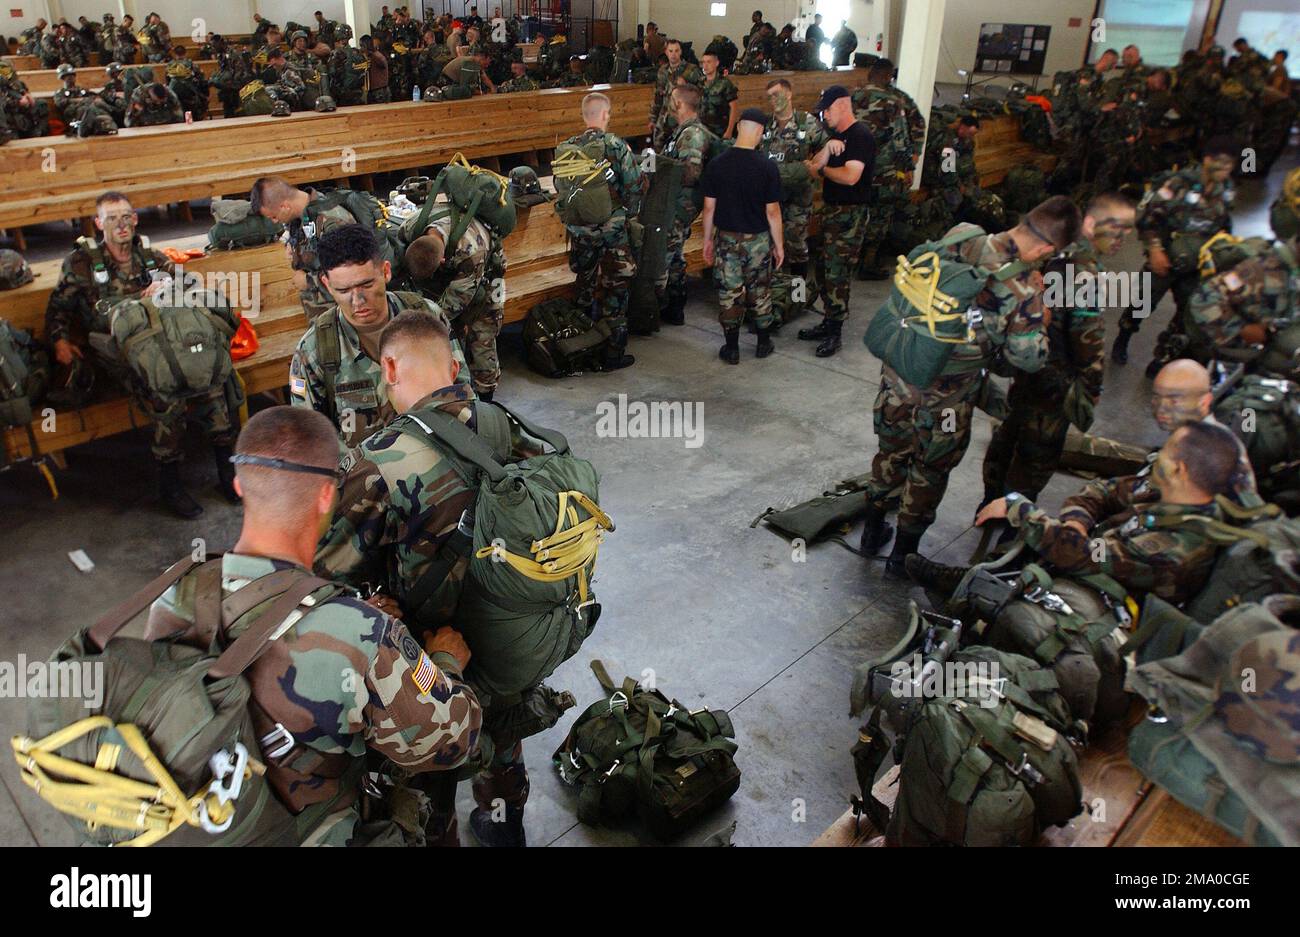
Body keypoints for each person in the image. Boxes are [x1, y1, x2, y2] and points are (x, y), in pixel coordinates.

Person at [146, 404, 483, 846]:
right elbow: (451, 741)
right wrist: (444, 660)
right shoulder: (364, 635)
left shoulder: (180, 587)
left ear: (238, 485)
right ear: (327, 496)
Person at [316, 310, 546, 846]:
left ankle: (443, 829)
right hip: (514, 632)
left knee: (431, 777)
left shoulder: (376, 462)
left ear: (389, 366)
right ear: (452, 362)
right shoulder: (504, 425)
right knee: (505, 732)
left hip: (434, 660)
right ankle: (506, 820)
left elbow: (326, 583)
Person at [860, 196, 1081, 574]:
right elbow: (1027, 359)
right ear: (1046, 248)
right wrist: (1039, 318)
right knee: (929, 469)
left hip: (899, 375)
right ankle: (902, 557)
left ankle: (871, 533)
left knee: (891, 453)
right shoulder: (1025, 289)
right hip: (948, 402)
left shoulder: (962, 236)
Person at [44, 191, 238, 518]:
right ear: (98, 223)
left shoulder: (149, 256)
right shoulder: (81, 264)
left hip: (158, 344)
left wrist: (167, 286)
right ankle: (170, 484)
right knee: (166, 391)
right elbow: (57, 309)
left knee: (210, 380)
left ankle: (227, 471)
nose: (121, 225)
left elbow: (190, 283)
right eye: (112, 218)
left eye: (126, 217)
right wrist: (60, 342)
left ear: (135, 219)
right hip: (112, 349)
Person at [910, 421, 1245, 607]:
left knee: (1033, 583)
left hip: (1106, 599)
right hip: (1095, 556)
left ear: (1179, 470)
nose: (1156, 457)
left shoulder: (1174, 552)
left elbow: (1081, 557)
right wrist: (1077, 522)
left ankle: (972, 602)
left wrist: (1017, 508)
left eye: (1166, 453)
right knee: (1040, 541)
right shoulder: (1175, 490)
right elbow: (1102, 490)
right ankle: (971, 581)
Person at [981, 193, 1136, 505]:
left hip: (1025, 359)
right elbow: (1087, 340)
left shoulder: (1054, 246)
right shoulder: (1085, 272)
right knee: (1037, 452)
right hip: (1056, 378)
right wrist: (1092, 386)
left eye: (1129, 230)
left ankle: (989, 502)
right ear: (1091, 223)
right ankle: (1013, 524)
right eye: (1118, 229)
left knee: (1009, 432)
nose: (1124, 238)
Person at [289, 223, 469, 449]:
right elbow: (311, 435)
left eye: (366, 284)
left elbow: (463, 391)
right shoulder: (314, 350)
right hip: (364, 478)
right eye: (343, 291)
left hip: (437, 461)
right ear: (327, 284)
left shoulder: (426, 317)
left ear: (385, 271)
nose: (357, 301)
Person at [1110, 136, 1237, 374]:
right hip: (1165, 258)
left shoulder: (1226, 190)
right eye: (1220, 164)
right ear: (1207, 160)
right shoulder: (1177, 183)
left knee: (1186, 316)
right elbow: (1148, 218)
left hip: (1196, 264)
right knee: (1142, 303)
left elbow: (1224, 227)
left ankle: (1163, 356)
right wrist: (1155, 250)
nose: (1224, 171)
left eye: (1229, 166)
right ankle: (1123, 337)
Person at [559, 92, 641, 370]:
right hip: (612, 229)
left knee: (584, 283)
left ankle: (579, 346)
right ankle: (613, 353)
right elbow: (633, 186)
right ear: (606, 114)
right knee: (616, 286)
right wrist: (626, 214)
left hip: (580, 229)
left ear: (584, 116)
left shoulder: (569, 146)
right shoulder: (616, 146)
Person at [796, 85, 875, 358]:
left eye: (827, 110)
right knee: (824, 270)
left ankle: (835, 331)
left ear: (842, 105)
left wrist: (824, 168)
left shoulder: (860, 137)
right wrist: (827, 152)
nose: (824, 116)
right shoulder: (837, 136)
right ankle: (829, 321)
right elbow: (814, 166)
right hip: (833, 211)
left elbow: (851, 176)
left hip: (849, 215)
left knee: (837, 273)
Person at [702, 107, 784, 363]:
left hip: (726, 238)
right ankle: (762, 342)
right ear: (760, 132)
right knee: (759, 290)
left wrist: (707, 240)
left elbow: (708, 207)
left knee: (730, 291)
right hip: (758, 239)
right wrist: (779, 245)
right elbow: (772, 212)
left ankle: (732, 347)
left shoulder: (717, 164)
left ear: (738, 127)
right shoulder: (768, 167)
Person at [402, 200, 507, 399]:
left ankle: (486, 395)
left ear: (442, 261)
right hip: (454, 276)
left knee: (482, 335)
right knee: (449, 332)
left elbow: (456, 302)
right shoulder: (410, 227)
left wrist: (425, 325)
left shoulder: (472, 251)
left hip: (489, 276)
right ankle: (455, 388)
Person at [759, 78, 829, 328]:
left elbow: (825, 147)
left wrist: (815, 167)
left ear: (789, 94)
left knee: (797, 248)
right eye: (769, 96)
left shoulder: (807, 123)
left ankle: (798, 296)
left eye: (777, 94)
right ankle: (773, 297)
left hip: (798, 199)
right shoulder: (766, 127)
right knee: (769, 248)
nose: (773, 99)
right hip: (771, 200)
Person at [1150, 359, 1259, 507]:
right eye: (1157, 397)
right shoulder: (1189, 434)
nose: (1161, 408)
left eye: (1174, 400)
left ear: (1204, 402)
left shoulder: (1214, 450)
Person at [853, 59, 924, 280]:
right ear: (888, 76)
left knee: (854, 215)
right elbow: (902, 137)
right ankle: (868, 263)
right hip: (883, 171)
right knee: (879, 216)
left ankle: (850, 260)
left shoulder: (851, 97)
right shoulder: (895, 100)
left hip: (852, 169)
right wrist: (909, 166)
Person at [657, 85, 714, 327]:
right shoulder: (681, 132)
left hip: (681, 204)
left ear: (680, 104)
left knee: (667, 254)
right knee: (675, 254)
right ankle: (674, 306)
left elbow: (690, 173)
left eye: (672, 100)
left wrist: (663, 169)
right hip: (676, 201)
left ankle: (664, 306)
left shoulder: (692, 135)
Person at [649, 39, 702, 150]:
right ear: (666, 52)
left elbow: (701, 94)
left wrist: (686, 85)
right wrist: (653, 119)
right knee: (659, 150)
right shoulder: (662, 71)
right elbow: (658, 96)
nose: (673, 54)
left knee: (681, 150)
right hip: (664, 120)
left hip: (682, 119)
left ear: (681, 52)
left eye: (676, 51)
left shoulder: (692, 70)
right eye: (671, 51)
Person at [698, 49, 738, 139]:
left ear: (716, 63)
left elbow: (734, 108)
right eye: (703, 62)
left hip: (720, 130)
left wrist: (729, 131)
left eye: (709, 62)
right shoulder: (700, 82)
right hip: (703, 129)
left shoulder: (725, 83)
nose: (705, 65)